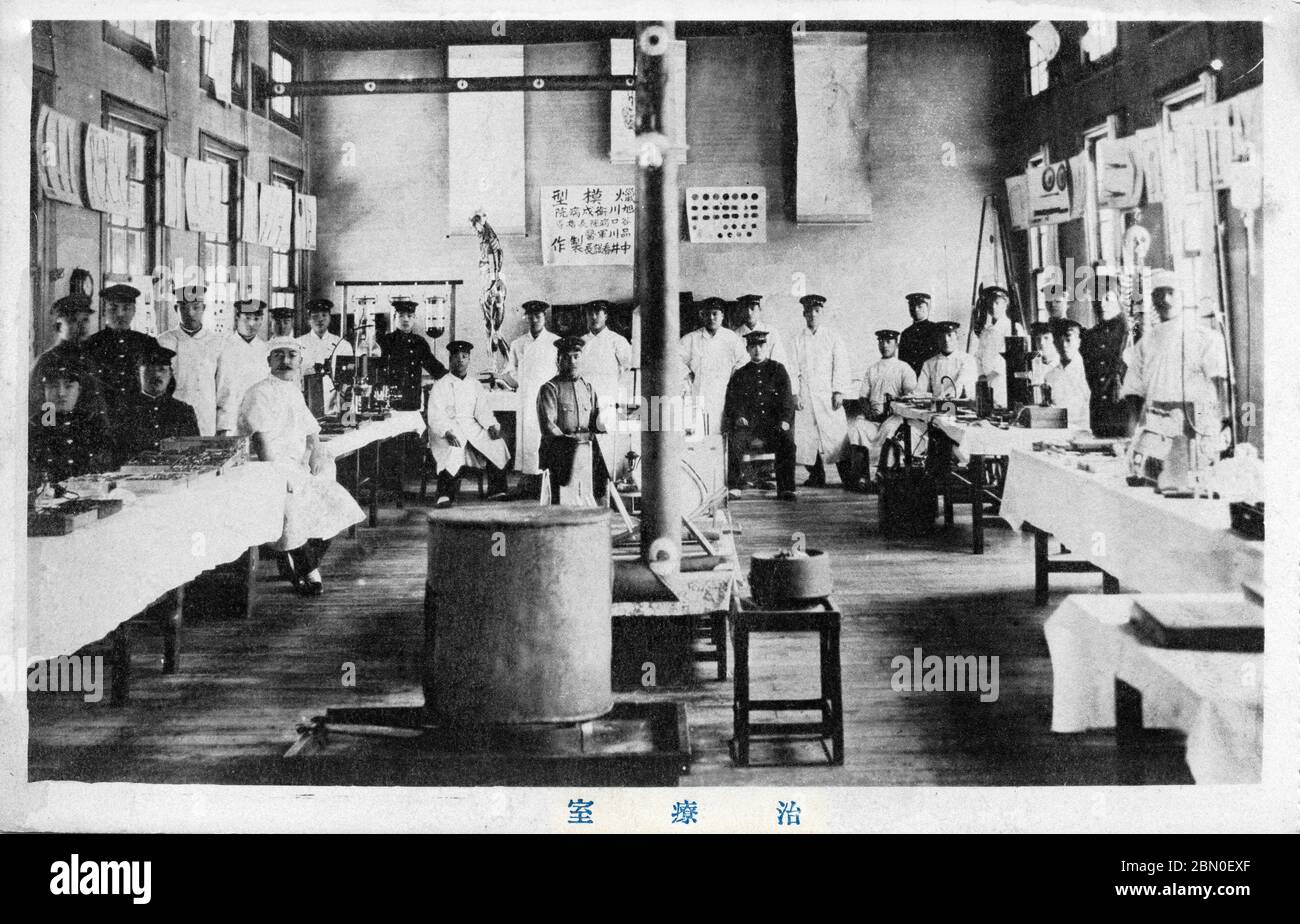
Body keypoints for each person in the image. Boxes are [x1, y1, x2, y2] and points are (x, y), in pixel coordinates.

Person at [237, 337, 364, 596]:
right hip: (267, 467)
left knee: (337, 504)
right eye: (279, 355)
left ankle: (298, 559)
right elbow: (261, 440)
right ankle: (308, 569)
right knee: (291, 508)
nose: (285, 361)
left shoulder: (293, 390)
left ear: (300, 361)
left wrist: (317, 453)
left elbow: (310, 430)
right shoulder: (259, 392)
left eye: (291, 356)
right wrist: (277, 475)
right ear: (269, 361)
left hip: (296, 465)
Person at [1119, 269, 1228, 483]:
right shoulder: (1145, 343)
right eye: (1159, 294)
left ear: (1183, 297)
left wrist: (1221, 427)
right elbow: (1133, 394)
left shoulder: (1206, 338)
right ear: (1152, 299)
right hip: (1156, 437)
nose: (1165, 300)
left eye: (1171, 293)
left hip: (1196, 435)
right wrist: (1131, 440)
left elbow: (1220, 386)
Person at [427, 340, 510, 508]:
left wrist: (491, 425)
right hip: (447, 428)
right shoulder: (440, 385)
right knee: (454, 448)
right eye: (456, 357)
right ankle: (444, 494)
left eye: (464, 356)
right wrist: (447, 432)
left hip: (471, 426)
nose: (460, 360)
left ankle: (496, 489)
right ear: (450, 360)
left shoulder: (475, 384)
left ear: (469, 360)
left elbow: (483, 411)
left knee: (497, 443)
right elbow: (435, 415)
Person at [723, 330, 797, 500]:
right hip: (749, 426)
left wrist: (785, 420)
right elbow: (732, 401)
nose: (757, 349)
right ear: (747, 349)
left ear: (766, 347)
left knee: (787, 442)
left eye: (761, 345)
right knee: (734, 441)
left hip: (773, 425)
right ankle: (734, 486)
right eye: (753, 346)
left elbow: (787, 399)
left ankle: (786, 488)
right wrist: (739, 416)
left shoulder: (778, 370)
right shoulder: (740, 374)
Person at [498, 299, 560, 497]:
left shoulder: (554, 342)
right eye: (531, 316)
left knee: (545, 437)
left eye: (538, 316)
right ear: (527, 318)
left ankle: (547, 483)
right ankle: (528, 483)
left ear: (544, 318)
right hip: (526, 398)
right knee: (528, 437)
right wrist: (503, 380)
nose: (535, 320)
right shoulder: (518, 343)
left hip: (548, 397)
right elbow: (512, 372)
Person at [537, 337, 608, 504]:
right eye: (567, 357)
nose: (572, 362)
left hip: (586, 452)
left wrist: (606, 421)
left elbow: (595, 423)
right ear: (558, 361)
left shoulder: (588, 388)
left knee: (600, 481)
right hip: (560, 451)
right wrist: (572, 445)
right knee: (563, 500)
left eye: (576, 356)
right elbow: (548, 426)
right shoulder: (550, 389)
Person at [846, 329, 917, 491]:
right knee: (858, 428)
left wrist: (894, 408)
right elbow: (863, 396)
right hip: (874, 417)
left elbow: (910, 396)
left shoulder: (904, 368)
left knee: (890, 428)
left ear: (896, 344)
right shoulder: (872, 369)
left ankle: (883, 475)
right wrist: (869, 412)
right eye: (881, 342)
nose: (884, 346)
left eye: (888, 342)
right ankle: (861, 477)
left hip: (895, 416)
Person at [792, 294, 852, 488]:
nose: (813, 315)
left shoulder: (832, 337)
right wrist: (795, 394)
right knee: (807, 437)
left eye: (817, 311)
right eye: (809, 312)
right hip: (806, 395)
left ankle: (847, 477)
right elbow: (792, 369)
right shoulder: (797, 339)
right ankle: (816, 475)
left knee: (836, 435)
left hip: (827, 394)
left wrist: (839, 391)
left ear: (822, 313)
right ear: (804, 314)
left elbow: (841, 364)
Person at [28, 356, 114, 487]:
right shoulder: (34, 426)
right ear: (44, 390)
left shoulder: (93, 423)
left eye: (68, 386)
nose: (61, 393)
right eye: (53, 386)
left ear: (79, 390)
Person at [114, 342, 201, 463]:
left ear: (170, 374)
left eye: (162, 370)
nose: (156, 375)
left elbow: (195, 452)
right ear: (138, 375)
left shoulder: (183, 411)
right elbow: (114, 453)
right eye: (149, 370)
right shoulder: (123, 411)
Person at [82, 283, 158, 417]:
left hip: (139, 418)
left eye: (126, 308)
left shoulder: (148, 343)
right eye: (113, 308)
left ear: (134, 311)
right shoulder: (90, 344)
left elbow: (164, 384)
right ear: (104, 311)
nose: (120, 314)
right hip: (101, 419)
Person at [156, 283, 222, 436]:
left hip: (205, 415)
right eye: (184, 307)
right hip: (173, 415)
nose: (190, 313)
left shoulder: (216, 342)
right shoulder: (163, 341)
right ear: (175, 309)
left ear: (204, 308)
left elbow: (222, 386)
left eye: (196, 307)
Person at [580, 299, 633, 482]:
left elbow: (629, 369)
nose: (594, 317)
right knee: (587, 443)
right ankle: (590, 484)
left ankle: (612, 482)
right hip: (585, 402)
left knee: (610, 444)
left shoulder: (617, 341)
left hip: (609, 400)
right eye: (590, 313)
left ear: (606, 316)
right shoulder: (581, 342)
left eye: (598, 313)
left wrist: (619, 395)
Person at [680, 296, 747, 435]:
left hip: (722, 394)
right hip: (699, 393)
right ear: (702, 316)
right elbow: (674, 359)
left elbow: (743, 361)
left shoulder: (731, 338)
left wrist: (734, 377)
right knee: (698, 435)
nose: (711, 317)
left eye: (715, 313)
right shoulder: (691, 338)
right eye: (707, 314)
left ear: (722, 316)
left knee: (720, 435)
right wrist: (687, 375)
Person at [30, 295, 105, 418]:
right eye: (73, 320)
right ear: (59, 327)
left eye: (85, 319)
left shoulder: (91, 358)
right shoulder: (47, 361)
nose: (82, 326)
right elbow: (39, 411)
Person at [376, 298, 446, 410]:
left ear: (414, 319)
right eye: (401, 316)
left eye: (410, 316)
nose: (406, 319)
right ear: (394, 318)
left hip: (412, 402)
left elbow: (435, 368)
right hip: (389, 404)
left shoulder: (419, 342)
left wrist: (455, 379)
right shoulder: (385, 341)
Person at [215, 298, 270, 435]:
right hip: (228, 419)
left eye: (257, 318)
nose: (252, 323)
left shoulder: (265, 350)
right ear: (237, 317)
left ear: (262, 320)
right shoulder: (221, 347)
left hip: (258, 419)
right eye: (247, 317)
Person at [1080, 290, 1131, 436]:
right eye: (1097, 298)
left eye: (1108, 298)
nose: (1102, 304)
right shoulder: (1088, 337)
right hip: (1099, 412)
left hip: (1125, 412)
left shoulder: (1131, 333)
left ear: (1119, 301)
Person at [972, 286, 1020, 407]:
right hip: (984, 380)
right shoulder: (986, 331)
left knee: (1000, 406)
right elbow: (978, 355)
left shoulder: (1013, 328)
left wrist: (990, 376)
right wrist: (981, 375)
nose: (993, 306)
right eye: (990, 303)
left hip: (1002, 380)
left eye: (997, 303)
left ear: (1006, 304)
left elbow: (1008, 357)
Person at [1044, 319, 1092, 430]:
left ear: (1078, 341)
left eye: (1068, 339)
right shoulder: (1050, 376)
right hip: (1056, 432)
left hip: (1085, 433)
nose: (1064, 345)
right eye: (1059, 341)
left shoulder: (1089, 372)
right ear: (1055, 343)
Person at [917, 321, 980, 398]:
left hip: (959, 404)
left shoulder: (967, 360)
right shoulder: (929, 363)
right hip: (936, 405)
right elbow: (920, 389)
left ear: (957, 338)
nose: (946, 340)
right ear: (938, 340)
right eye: (941, 337)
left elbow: (960, 384)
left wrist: (942, 397)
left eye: (949, 335)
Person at [296, 298, 354, 377]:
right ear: (309, 320)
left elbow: (347, 376)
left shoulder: (342, 345)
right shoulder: (297, 343)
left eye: (324, 315)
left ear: (330, 318)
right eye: (315, 316)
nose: (320, 319)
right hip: (305, 388)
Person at [731, 293, 789, 369]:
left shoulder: (771, 332)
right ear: (741, 311)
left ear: (759, 309)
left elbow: (779, 360)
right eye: (745, 309)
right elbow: (734, 365)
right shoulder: (734, 336)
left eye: (752, 308)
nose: (749, 313)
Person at [899, 292, 940, 374]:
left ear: (927, 307)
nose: (915, 309)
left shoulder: (936, 329)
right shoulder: (906, 334)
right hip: (912, 380)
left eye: (919, 306)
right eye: (912, 306)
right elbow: (902, 364)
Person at [1028, 321, 1060, 386]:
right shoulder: (1034, 363)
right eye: (1038, 339)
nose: (1041, 342)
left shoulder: (1062, 364)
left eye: (1046, 338)